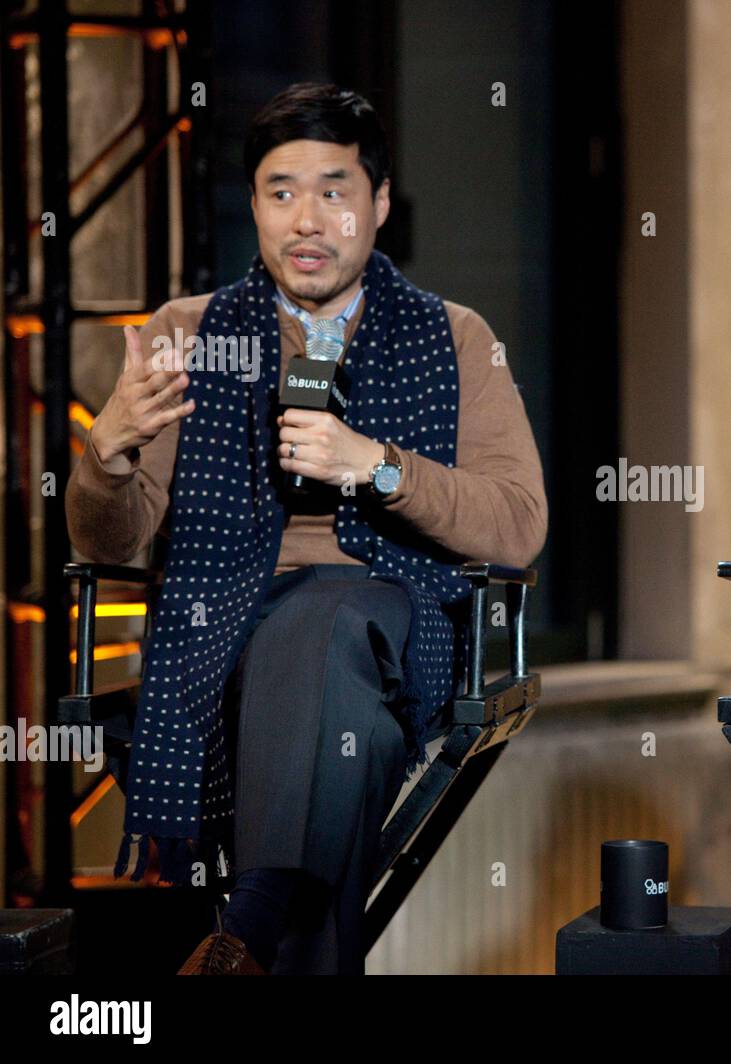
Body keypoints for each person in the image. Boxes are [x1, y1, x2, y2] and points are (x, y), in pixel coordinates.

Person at [65, 82, 547, 975]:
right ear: (252, 206)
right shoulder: (188, 333)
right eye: (281, 193)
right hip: (221, 637)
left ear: (381, 203)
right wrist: (110, 451)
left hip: (391, 624)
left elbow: (518, 526)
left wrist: (378, 465)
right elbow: (104, 542)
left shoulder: (455, 336)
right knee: (335, 729)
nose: (307, 219)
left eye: (335, 190)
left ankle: (242, 928)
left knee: (326, 622)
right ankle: (261, 940)